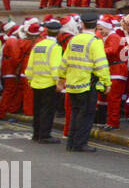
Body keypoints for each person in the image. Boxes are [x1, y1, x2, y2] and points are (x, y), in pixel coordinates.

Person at [59, 12, 110, 152]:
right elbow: (101, 64)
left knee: (75, 113)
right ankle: (80, 143)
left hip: (72, 83)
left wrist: (61, 78)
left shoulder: (73, 40)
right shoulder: (95, 42)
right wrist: (107, 82)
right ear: (96, 26)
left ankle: (71, 142)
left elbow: (65, 61)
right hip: (88, 84)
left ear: (82, 24)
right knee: (86, 115)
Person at [25, 20, 63, 144]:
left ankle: (36, 133)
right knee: (48, 110)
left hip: (36, 82)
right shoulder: (55, 47)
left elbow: (30, 64)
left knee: (37, 109)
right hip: (49, 83)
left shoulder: (38, 45)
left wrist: (30, 78)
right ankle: (45, 135)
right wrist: (58, 82)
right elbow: (55, 66)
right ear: (58, 33)